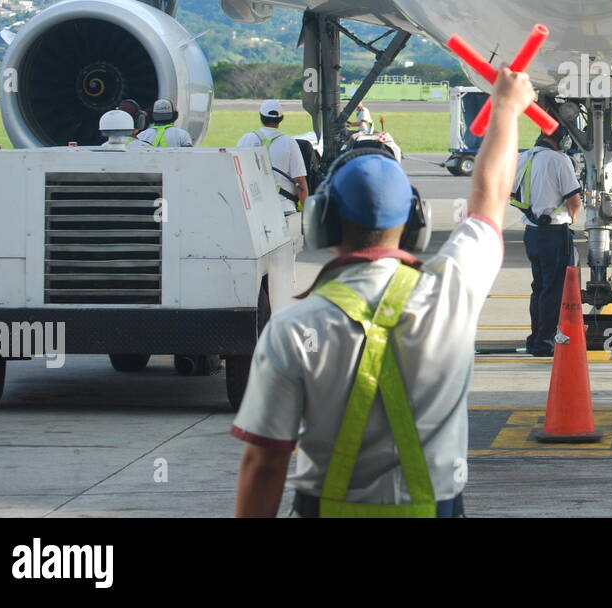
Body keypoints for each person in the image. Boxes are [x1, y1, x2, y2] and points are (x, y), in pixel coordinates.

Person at [230, 65, 533, 518]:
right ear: (416, 225)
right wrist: (506, 110)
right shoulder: (451, 291)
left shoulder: (293, 328)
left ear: (322, 222)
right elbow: (489, 199)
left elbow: (265, 462)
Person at [511, 126, 583, 357]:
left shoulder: (526, 156)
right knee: (554, 290)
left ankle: (535, 338)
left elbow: (512, 193)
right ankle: (546, 342)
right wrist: (573, 216)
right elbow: (573, 198)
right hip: (554, 232)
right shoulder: (560, 160)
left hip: (531, 232)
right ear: (558, 137)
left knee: (539, 288)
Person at [238, 101, 310, 248]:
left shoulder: (246, 139)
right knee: (286, 260)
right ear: (281, 118)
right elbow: (300, 181)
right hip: (284, 209)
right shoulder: (289, 143)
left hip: (254, 211)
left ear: (260, 117)